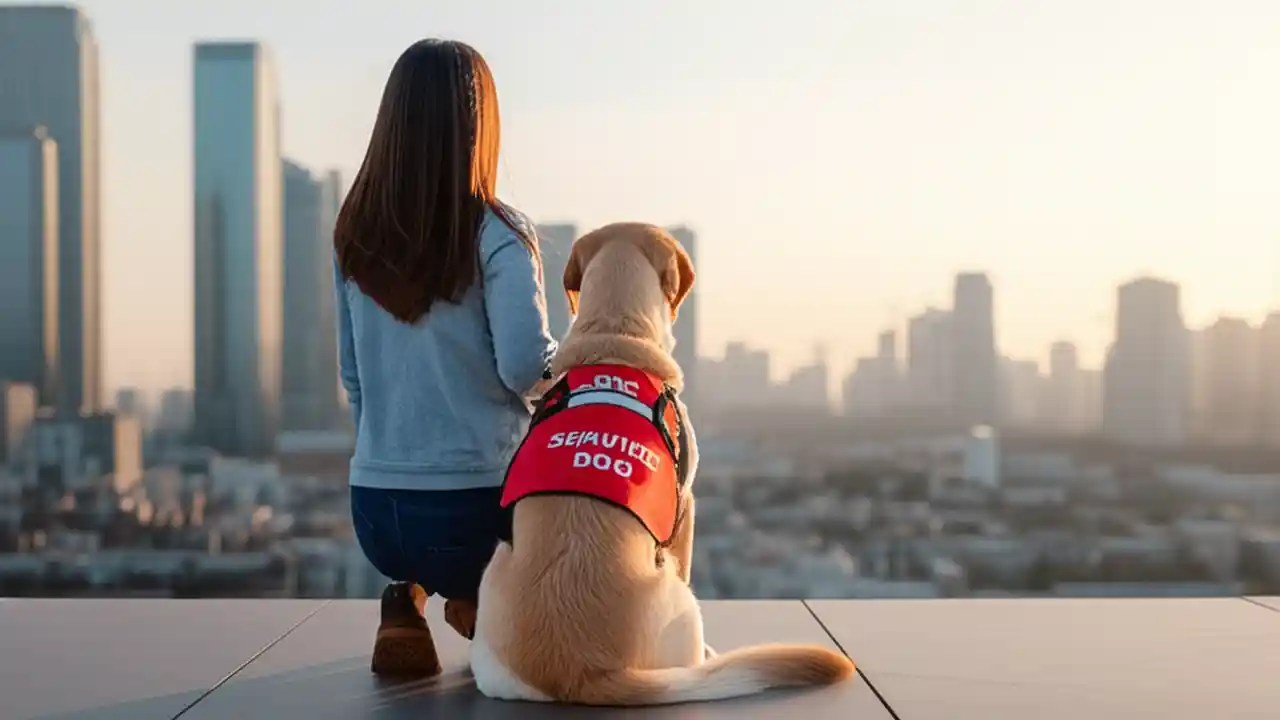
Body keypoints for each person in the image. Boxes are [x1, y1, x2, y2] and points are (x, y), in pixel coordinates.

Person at [333, 39, 557, 676]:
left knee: (423, 554)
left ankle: (406, 601)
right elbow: (523, 368)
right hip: (476, 513)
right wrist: (564, 371)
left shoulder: (354, 232)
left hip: (376, 512)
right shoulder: (498, 231)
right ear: (478, 124)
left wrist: (398, 453)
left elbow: (352, 377)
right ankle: (483, 601)